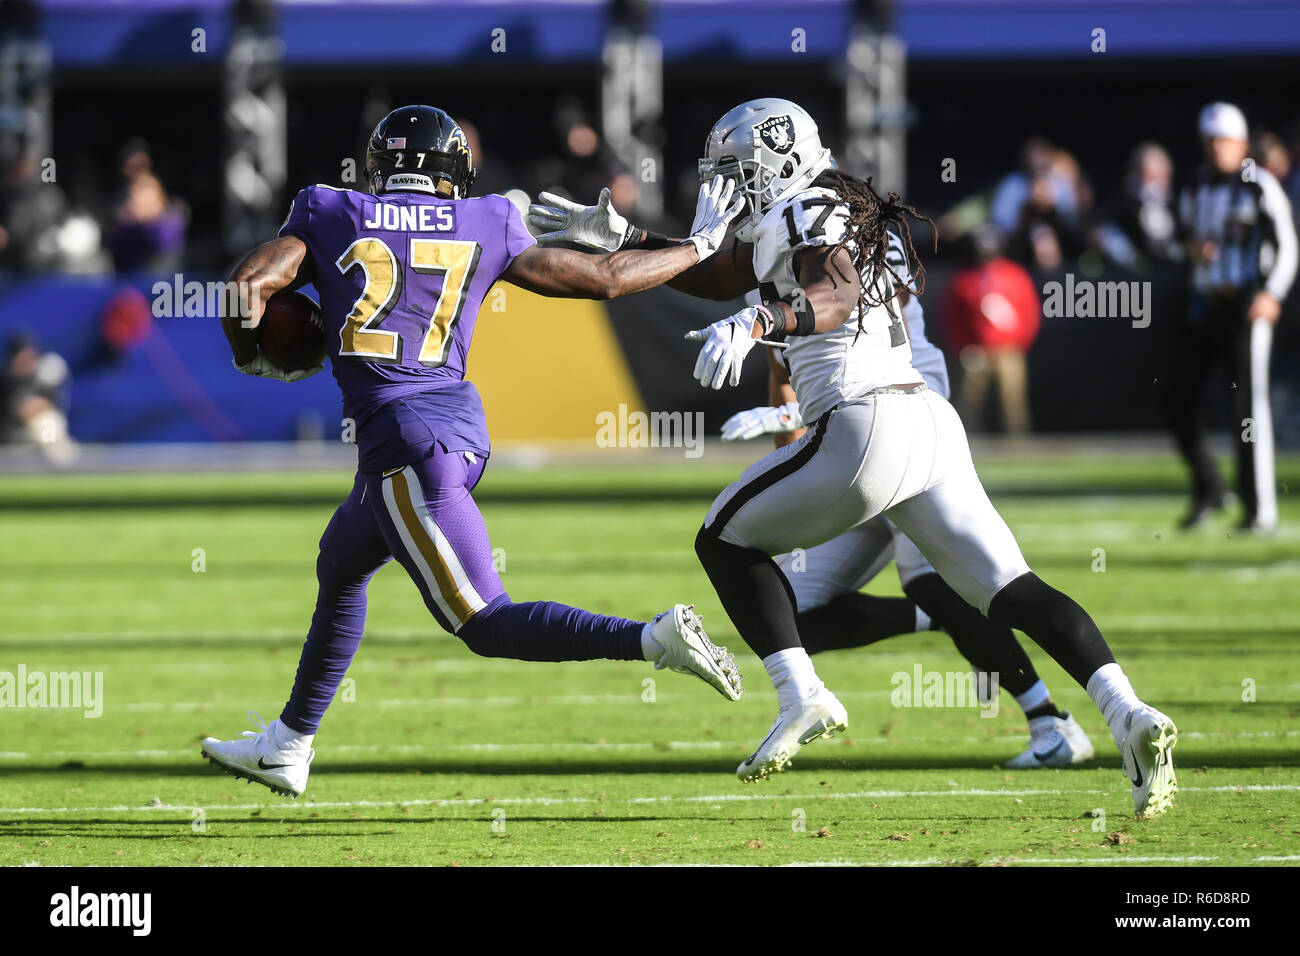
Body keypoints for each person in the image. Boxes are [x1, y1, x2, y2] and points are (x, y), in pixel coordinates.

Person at [531, 97, 1177, 817]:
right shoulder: (817, 204)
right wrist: (628, 234)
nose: (730, 188)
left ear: (775, 164)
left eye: (738, 173)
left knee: (723, 537)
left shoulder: (806, 210)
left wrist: (760, 319)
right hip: (927, 422)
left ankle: (801, 695)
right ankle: (1128, 712)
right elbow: (716, 273)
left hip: (865, 422)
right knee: (1013, 590)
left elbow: (831, 291)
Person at [201, 105, 745, 798]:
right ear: (451, 172)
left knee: (483, 622)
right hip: (451, 431)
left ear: (379, 168)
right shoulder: (486, 218)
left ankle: (652, 638)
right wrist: (696, 245)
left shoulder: (329, 207)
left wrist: (256, 356)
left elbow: (248, 288)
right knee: (341, 563)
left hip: (404, 443)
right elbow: (607, 278)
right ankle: (287, 745)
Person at [716, 234, 1092, 770]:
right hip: (848, 446)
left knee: (957, 581)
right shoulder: (773, 251)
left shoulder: (842, 232)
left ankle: (1053, 719)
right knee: (787, 612)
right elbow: (787, 378)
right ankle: (940, 618)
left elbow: (868, 333)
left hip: (904, 412)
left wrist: (789, 416)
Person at [1172, 103, 1297, 532]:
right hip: (1205, 303)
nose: (1216, 149)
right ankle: (1210, 487)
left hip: (1245, 306)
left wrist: (1271, 293)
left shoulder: (1259, 185)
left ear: (1241, 144)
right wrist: (1189, 250)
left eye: (1223, 140)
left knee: (1246, 407)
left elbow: (1286, 243)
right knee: (1176, 396)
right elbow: (1177, 239)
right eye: (1209, 141)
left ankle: (1259, 508)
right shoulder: (1193, 187)